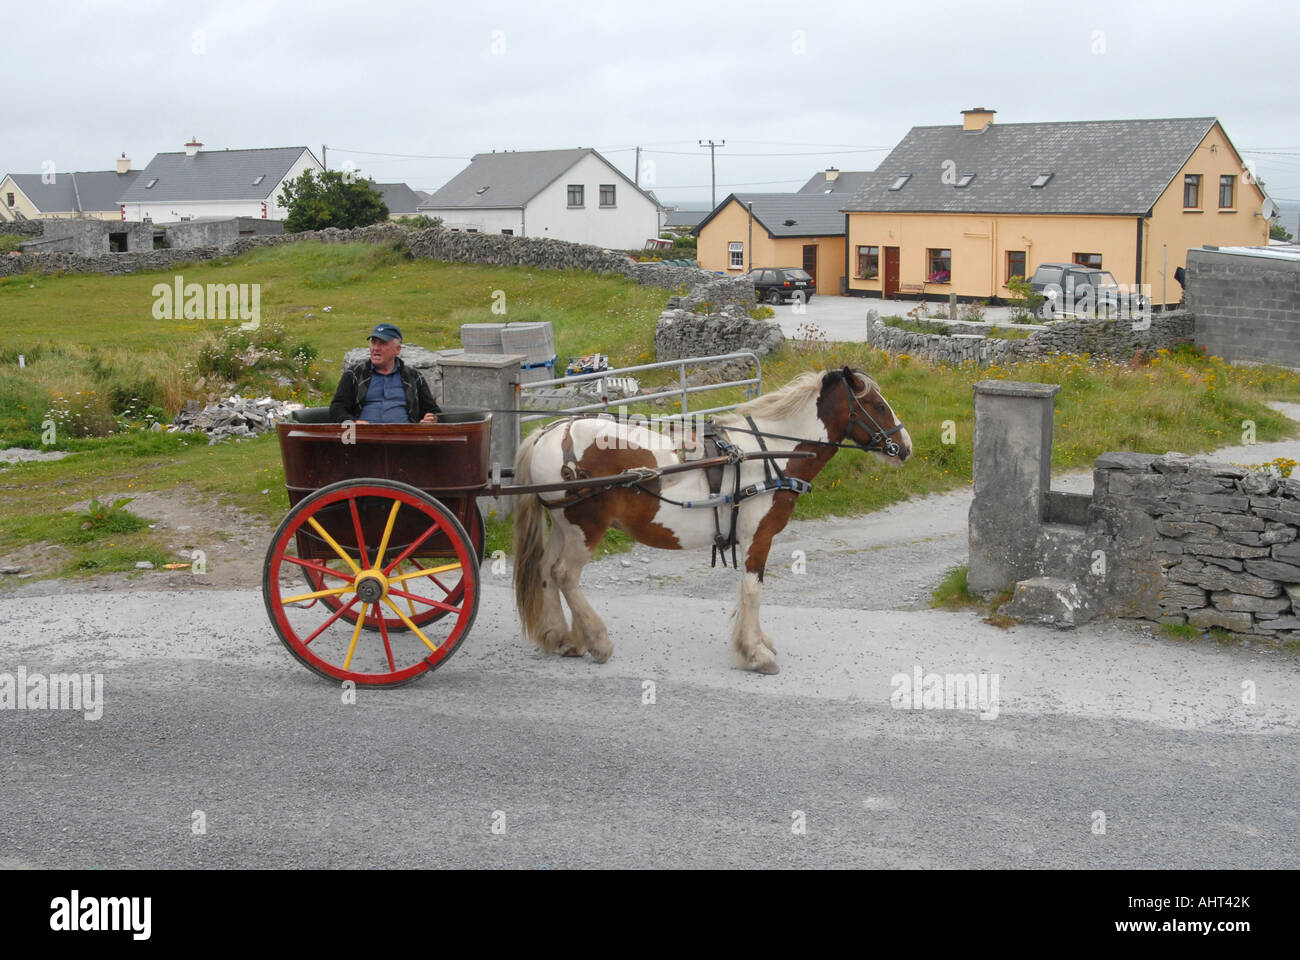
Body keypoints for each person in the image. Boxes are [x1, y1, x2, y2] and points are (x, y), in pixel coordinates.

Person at [329, 323, 440, 424]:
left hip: (404, 438)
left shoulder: (414, 377)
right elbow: (337, 408)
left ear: (397, 349)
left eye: (382, 343)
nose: (376, 348)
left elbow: (432, 411)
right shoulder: (353, 374)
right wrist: (353, 422)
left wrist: (430, 419)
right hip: (363, 437)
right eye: (373, 343)